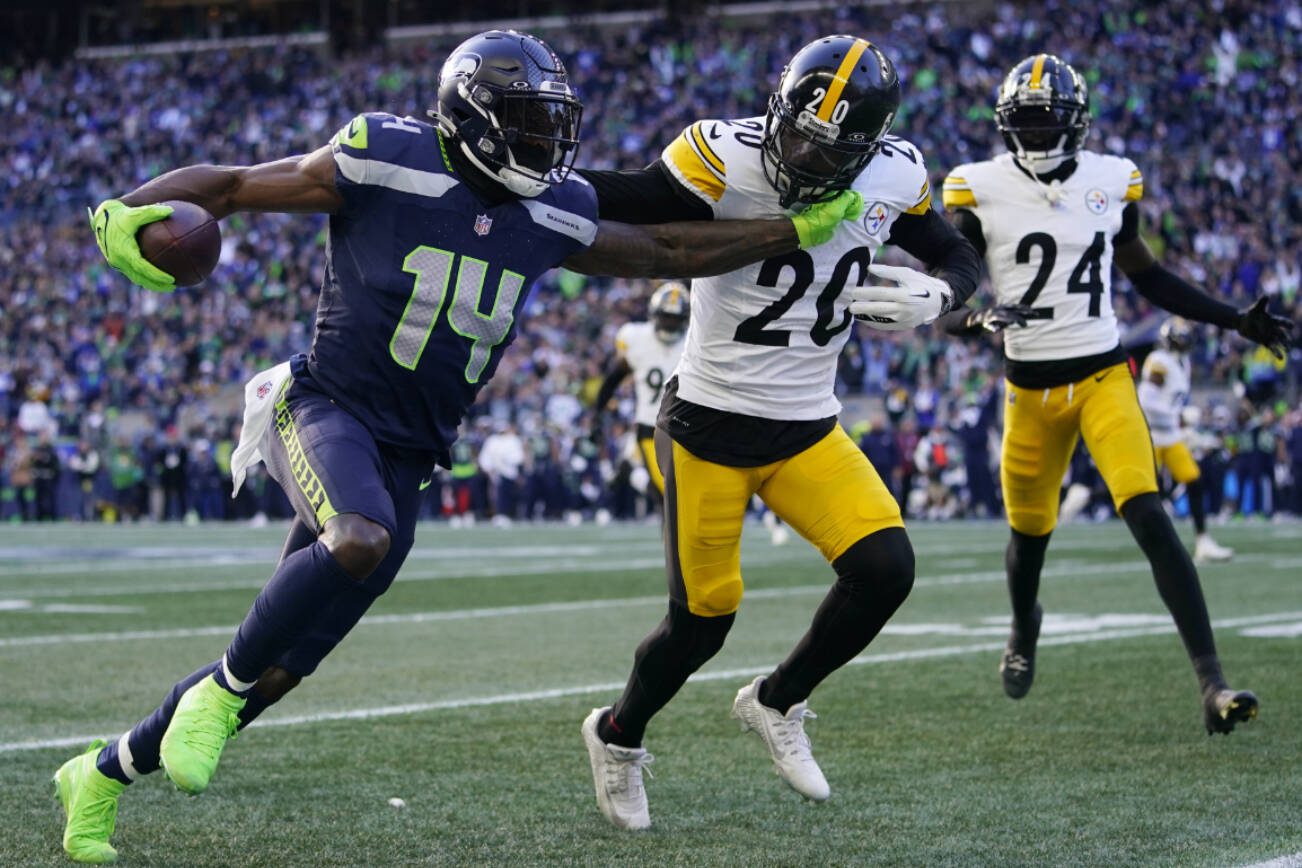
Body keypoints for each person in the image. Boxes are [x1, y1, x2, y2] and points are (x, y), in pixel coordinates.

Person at [53, 29, 863, 864]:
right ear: (472, 115)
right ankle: (218, 690)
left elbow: (666, 249)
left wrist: (791, 232)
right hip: (326, 404)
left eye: (555, 124)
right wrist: (134, 207)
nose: (548, 143)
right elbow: (227, 186)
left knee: (290, 663)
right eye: (529, 122)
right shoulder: (383, 156)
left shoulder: (551, 208)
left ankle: (101, 774)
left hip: (412, 451)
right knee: (352, 544)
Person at [577, 35, 981, 829]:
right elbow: (624, 196)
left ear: (865, 146)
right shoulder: (720, 155)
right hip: (706, 425)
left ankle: (777, 699)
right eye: (794, 130)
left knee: (886, 567)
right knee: (703, 622)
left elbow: (955, 252)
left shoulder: (895, 172)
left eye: (824, 145)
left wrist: (940, 296)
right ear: (776, 108)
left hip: (805, 426)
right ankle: (617, 737)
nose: (798, 153)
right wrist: (524, 187)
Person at [938, 53, 1292, 734]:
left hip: (1103, 376)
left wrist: (1231, 318)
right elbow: (949, 294)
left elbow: (1147, 276)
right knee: (1029, 539)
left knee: (1150, 515)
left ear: (1077, 123)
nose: (1039, 134)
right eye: (1029, 121)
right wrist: (975, 319)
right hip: (1029, 392)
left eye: (1049, 121)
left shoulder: (1111, 180)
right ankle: (1023, 625)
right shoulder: (975, 186)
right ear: (1009, 125)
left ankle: (1212, 683)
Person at [1137, 318, 1234, 563]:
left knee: (1193, 480)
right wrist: (1178, 415)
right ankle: (1152, 541)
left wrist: (1179, 418)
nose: (1185, 342)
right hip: (1153, 435)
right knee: (1145, 492)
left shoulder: (1182, 362)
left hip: (1171, 435)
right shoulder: (1159, 361)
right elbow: (1146, 399)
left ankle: (1203, 541)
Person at [591, 281, 690, 500]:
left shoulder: (692, 342)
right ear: (654, 314)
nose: (669, 324)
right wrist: (597, 414)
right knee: (673, 495)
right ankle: (629, 474)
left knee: (680, 494)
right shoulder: (636, 338)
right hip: (651, 427)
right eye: (666, 317)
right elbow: (613, 379)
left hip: (688, 430)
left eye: (674, 319)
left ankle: (631, 475)